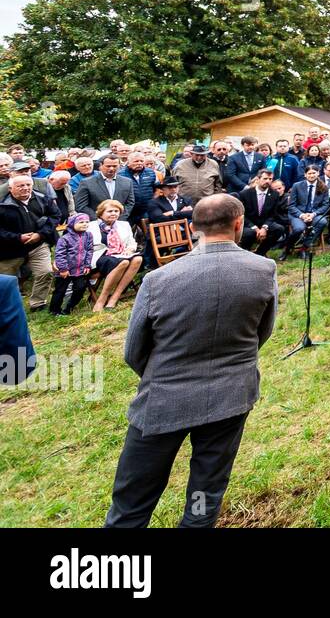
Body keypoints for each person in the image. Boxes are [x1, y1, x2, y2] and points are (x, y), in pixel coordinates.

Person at [104, 194, 277, 528]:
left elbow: (134, 350)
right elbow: (262, 333)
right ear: (239, 223)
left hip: (165, 396)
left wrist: (164, 374)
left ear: (193, 228)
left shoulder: (159, 280)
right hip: (229, 393)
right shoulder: (262, 269)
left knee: (133, 499)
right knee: (205, 490)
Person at [0, 172, 58, 311]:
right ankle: (9, 307)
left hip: (38, 244)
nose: (25, 188)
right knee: (7, 280)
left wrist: (40, 234)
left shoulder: (43, 199)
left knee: (45, 272)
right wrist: (18, 237)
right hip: (9, 249)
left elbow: (55, 216)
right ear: (10, 189)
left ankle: (38, 303)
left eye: (28, 185)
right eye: (20, 186)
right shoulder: (2, 205)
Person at [91, 200, 143, 311]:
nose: (114, 213)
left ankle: (115, 297)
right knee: (124, 262)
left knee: (137, 259)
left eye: (116, 211)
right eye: (110, 211)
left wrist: (130, 249)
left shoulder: (124, 225)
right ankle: (102, 299)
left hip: (121, 254)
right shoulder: (91, 226)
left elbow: (132, 242)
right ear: (101, 213)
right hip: (100, 256)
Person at [51, 213, 95, 316]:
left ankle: (69, 307)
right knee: (60, 290)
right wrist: (63, 269)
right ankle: (55, 310)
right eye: (81, 222)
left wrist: (87, 265)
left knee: (80, 288)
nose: (84, 224)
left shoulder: (88, 236)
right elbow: (60, 254)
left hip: (80, 270)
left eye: (87, 222)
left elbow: (89, 250)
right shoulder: (65, 238)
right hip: (65, 271)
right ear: (72, 223)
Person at [283, 164, 330, 260]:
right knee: (299, 228)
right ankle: (287, 248)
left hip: (314, 213)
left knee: (322, 222)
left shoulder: (324, 187)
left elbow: (325, 205)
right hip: (298, 214)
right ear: (305, 174)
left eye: (314, 173)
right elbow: (291, 205)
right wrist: (301, 215)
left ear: (318, 173)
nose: (311, 175)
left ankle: (304, 248)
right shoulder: (297, 186)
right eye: (309, 173)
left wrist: (313, 214)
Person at [238, 169, 286, 256]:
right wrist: (255, 228)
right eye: (265, 178)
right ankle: (245, 253)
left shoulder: (274, 194)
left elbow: (273, 214)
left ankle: (260, 253)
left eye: (270, 179)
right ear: (258, 179)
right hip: (249, 223)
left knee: (279, 229)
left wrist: (264, 227)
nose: (268, 181)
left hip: (265, 222)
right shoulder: (245, 194)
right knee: (249, 233)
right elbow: (242, 214)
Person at [75, 154, 136, 221]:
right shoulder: (87, 183)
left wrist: (119, 218)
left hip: (119, 222)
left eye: (114, 166)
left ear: (119, 166)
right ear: (100, 166)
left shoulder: (127, 182)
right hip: (96, 223)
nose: (111, 168)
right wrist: (99, 219)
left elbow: (130, 203)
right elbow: (81, 206)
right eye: (108, 166)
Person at [124, 151, 158, 229]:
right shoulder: (120, 174)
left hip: (146, 210)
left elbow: (157, 189)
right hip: (129, 212)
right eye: (136, 161)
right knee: (126, 235)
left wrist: (152, 202)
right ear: (128, 162)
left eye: (141, 161)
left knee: (150, 234)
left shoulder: (151, 173)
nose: (139, 163)